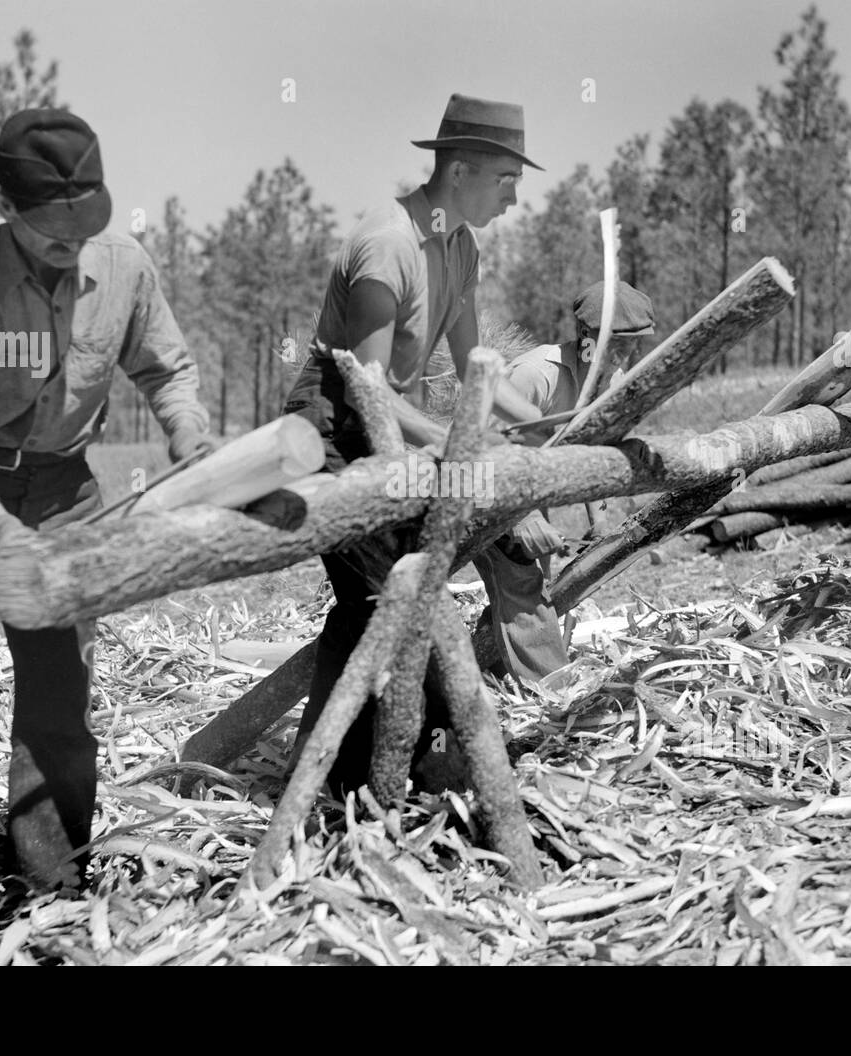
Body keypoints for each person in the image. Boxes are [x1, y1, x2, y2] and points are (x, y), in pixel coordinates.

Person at [0, 109, 216, 896]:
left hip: (61, 487)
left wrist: (186, 432)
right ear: (5, 208)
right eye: (51, 229)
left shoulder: (123, 263)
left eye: (84, 222)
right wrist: (1, 532)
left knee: (60, 687)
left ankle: (50, 875)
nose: (72, 241)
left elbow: (166, 367)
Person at [283, 93, 547, 794]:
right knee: (390, 600)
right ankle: (357, 781)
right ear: (458, 171)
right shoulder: (387, 245)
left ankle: (334, 773)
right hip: (334, 429)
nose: (514, 199)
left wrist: (548, 423)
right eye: (504, 180)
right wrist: (455, 441)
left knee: (380, 604)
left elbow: (472, 370)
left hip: (392, 428)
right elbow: (366, 388)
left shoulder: (461, 248)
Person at [473, 281, 658, 684]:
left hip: (526, 491)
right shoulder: (535, 375)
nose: (627, 355)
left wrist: (601, 520)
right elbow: (477, 451)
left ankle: (486, 675)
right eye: (619, 344)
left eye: (634, 345)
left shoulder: (610, 380)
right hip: (479, 489)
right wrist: (520, 519)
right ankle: (556, 701)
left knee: (524, 588)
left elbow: (594, 449)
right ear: (587, 339)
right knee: (522, 586)